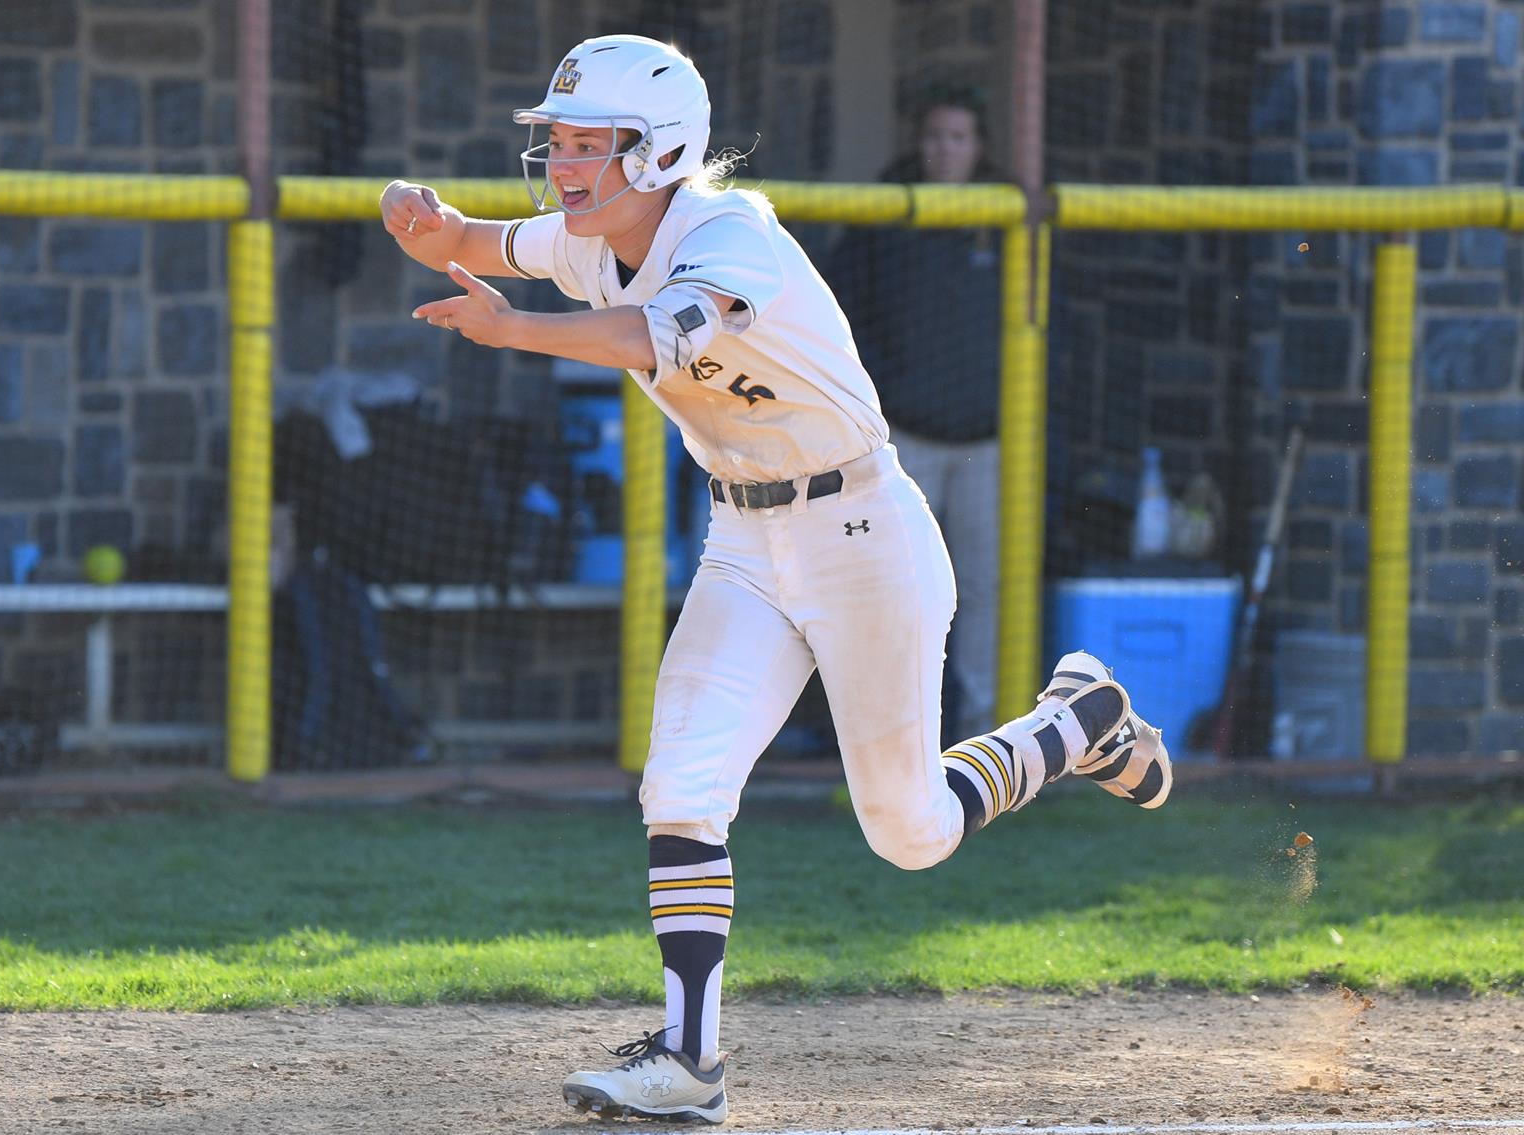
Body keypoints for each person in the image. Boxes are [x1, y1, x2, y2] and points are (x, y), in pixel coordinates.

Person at [379, 35, 1172, 1124]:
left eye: (586, 143)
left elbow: (653, 333)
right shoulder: (586, 239)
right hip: (745, 543)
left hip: (862, 533)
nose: (561, 163)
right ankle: (690, 1063)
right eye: (553, 141)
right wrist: (423, 226)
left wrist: (513, 330)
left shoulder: (728, 232)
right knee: (680, 787)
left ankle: (1073, 722)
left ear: (657, 154)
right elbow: (472, 240)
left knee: (908, 832)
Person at [831, 83, 1006, 741]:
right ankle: (893, 740)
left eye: (958, 138)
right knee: (899, 591)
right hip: (905, 439)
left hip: (990, 445)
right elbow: (838, 313)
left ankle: (988, 743)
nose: (945, 150)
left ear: (978, 146)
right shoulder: (884, 216)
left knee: (987, 592)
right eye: (935, 136)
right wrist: (886, 393)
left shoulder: (1007, 212)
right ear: (918, 142)